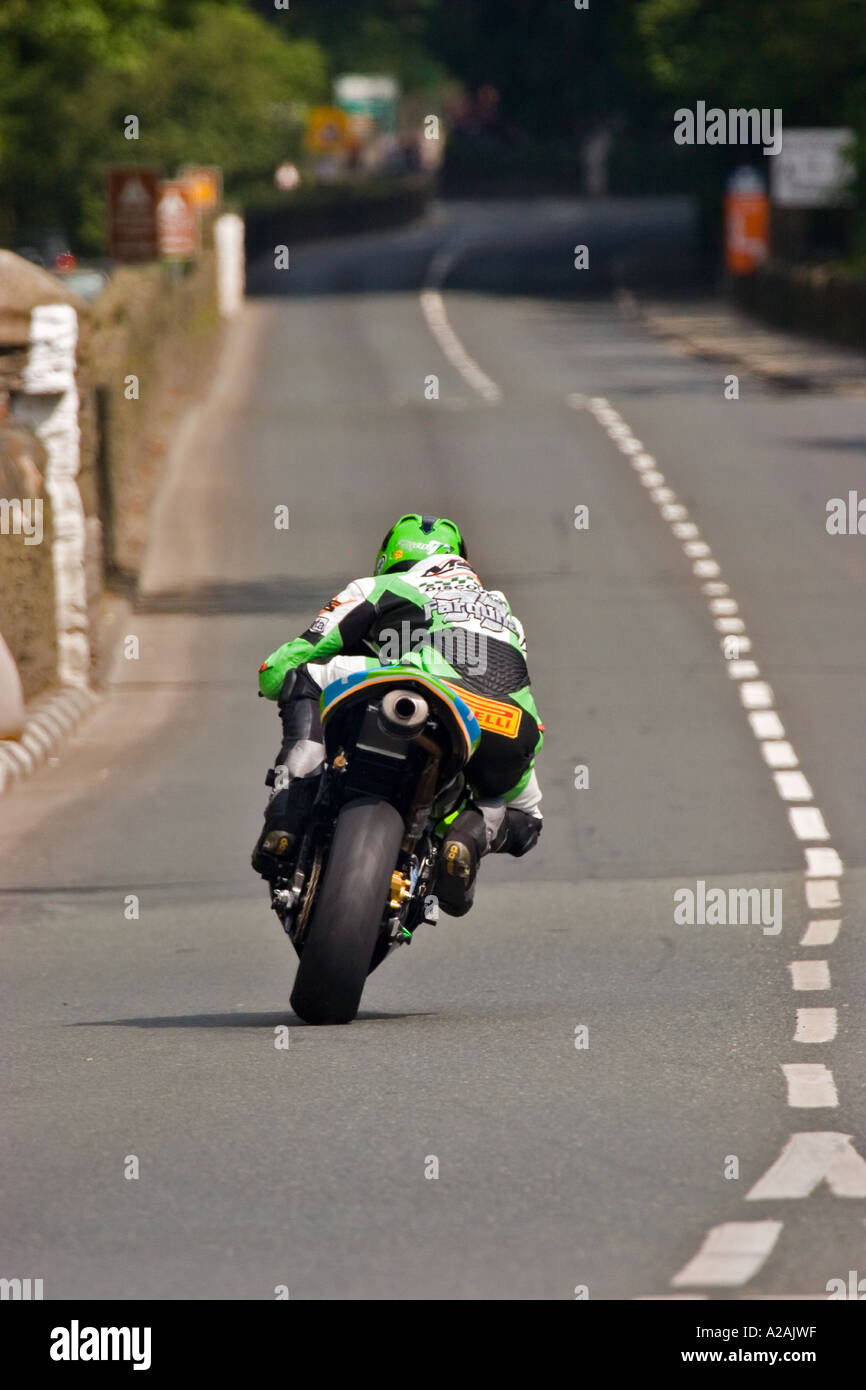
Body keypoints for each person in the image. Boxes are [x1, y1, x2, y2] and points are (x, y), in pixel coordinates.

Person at [252, 514, 543, 915]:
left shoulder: (381, 586)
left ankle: (289, 808)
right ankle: (468, 838)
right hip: (506, 722)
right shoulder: (501, 609)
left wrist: (275, 674)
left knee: (305, 677)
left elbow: (283, 667)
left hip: (422, 683)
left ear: (387, 557)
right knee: (526, 816)